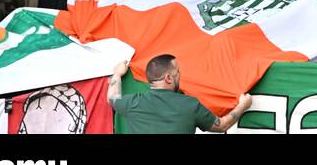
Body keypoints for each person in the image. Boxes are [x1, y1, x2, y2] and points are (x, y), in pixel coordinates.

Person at [108, 55, 251, 134]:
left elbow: (112, 98)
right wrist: (243, 106)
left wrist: (117, 74)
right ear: (168, 78)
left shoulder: (133, 103)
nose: (180, 75)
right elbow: (221, 126)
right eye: (177, 72)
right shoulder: (190, 105)